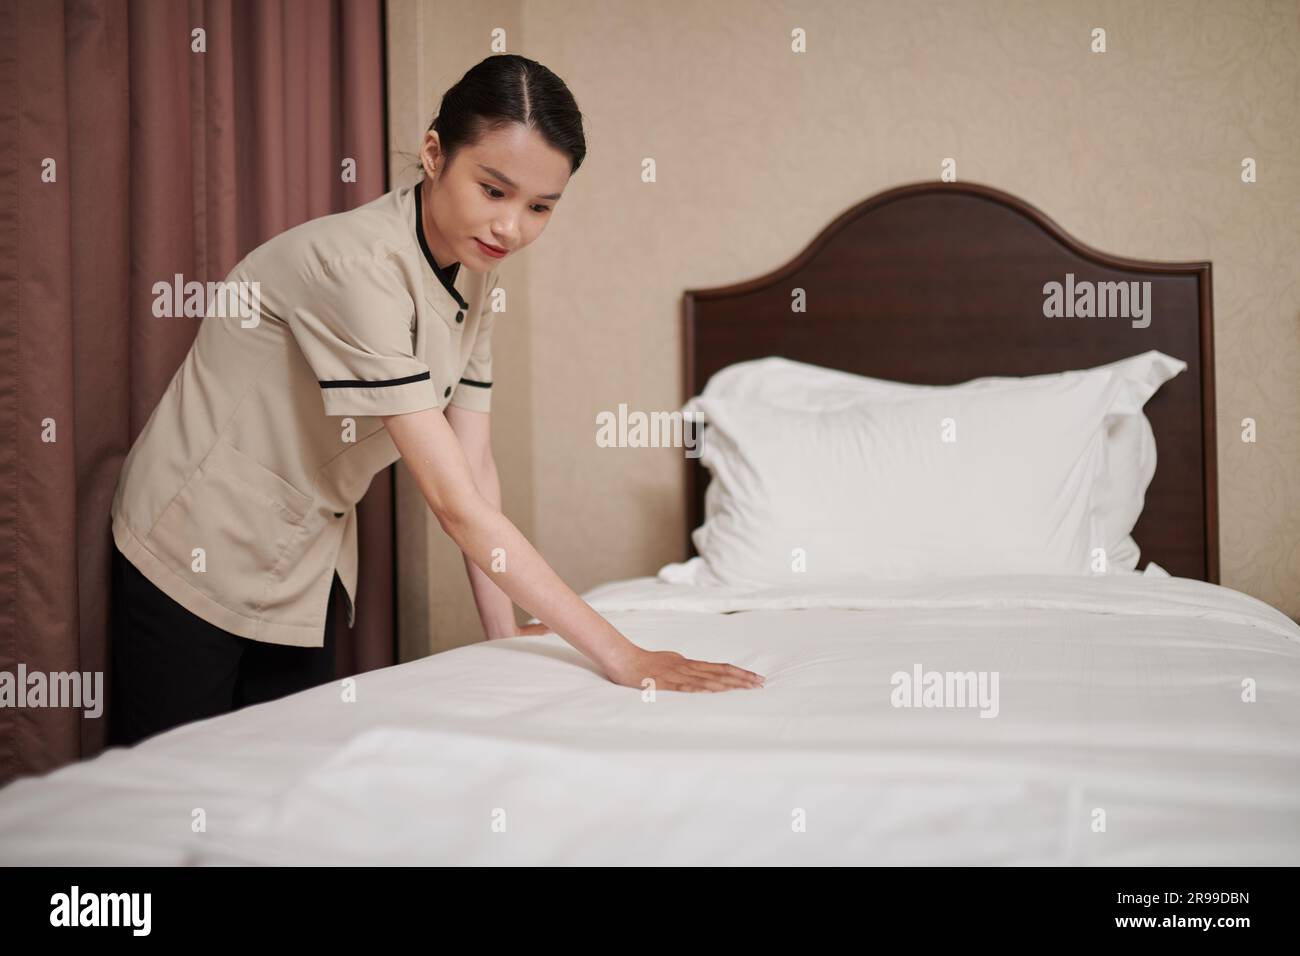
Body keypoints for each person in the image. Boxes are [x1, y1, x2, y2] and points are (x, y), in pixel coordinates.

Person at [108, 54, 764, 747]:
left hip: (301, 561)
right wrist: (622, 654)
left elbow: (474, 469)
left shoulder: (474, 275)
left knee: (280, 785)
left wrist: (501, 631)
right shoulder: (356, 268)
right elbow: (454, 506)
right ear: (432, 154)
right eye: (493, 190)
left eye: (539, 207)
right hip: (191, 546)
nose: (511, 227)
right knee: (170, 793)